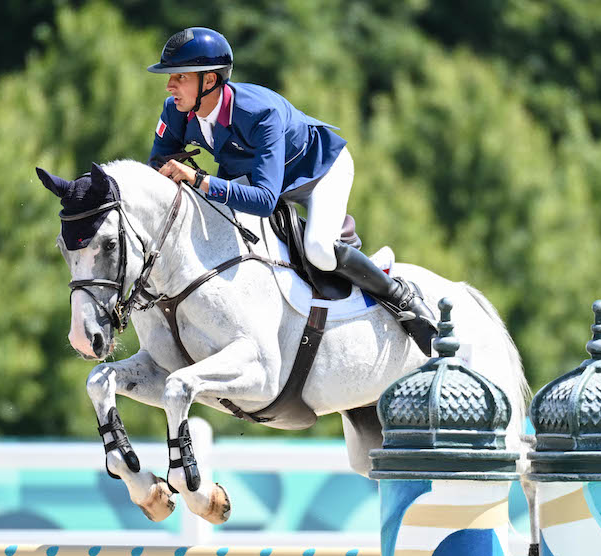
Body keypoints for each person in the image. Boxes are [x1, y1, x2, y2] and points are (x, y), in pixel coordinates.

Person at [145, 26, 436, 352]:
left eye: (180, 77)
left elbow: (265, 201)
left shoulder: (259, 114)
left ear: (209, 81)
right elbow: (157, 164)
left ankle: (401, 298)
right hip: (257, 175)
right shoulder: (176, 110)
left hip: (318, 172)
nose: (170, 85)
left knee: (320, 251)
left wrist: (198, 179)